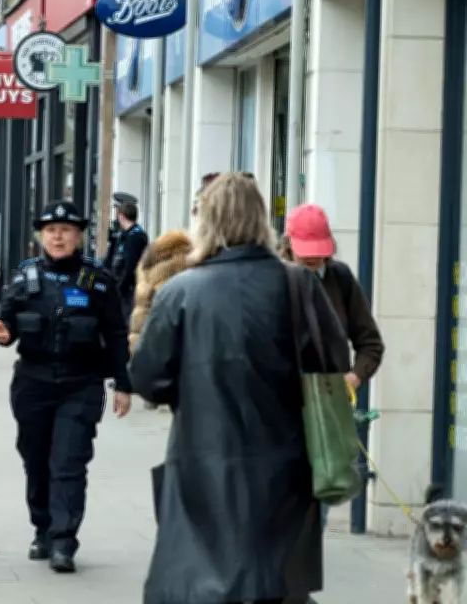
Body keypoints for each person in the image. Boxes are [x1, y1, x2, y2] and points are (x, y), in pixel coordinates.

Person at [128, 172, 351, 604]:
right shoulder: (298, 284)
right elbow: (334, 361)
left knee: (202, 582)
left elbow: (148, 381)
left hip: (202, 460)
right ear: (261, 219)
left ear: (206, 223)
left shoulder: (180, 291)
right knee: (275, 582)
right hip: (285, 464)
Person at [0, 199, 132, 574]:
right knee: (36, 461)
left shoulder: (97, 281)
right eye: (51, 231)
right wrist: (3, 334)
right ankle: (43, 528)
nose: (58, 237)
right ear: (41, 236)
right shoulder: (24, 278)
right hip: (32, 383)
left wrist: (123, 383)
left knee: (69, 462)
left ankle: (63, 540)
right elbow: (5, 324)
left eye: (66, 230)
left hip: (81, 383)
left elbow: (116, 333)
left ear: (78, 237)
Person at [280, 203, 385, 532]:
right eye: (305, 254)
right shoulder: (273, 279)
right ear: (288, 246)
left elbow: (371, 343)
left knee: (320, 500)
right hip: (280, 408)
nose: (314, 261)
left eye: (319, 253)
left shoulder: (340, 278)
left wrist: (354, 377)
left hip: (327, 410)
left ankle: (306, 554)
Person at [108, 200, 148, 322]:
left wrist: (120, 289)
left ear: (121, 216)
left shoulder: (135, 236)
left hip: (129, 290)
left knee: (126, 321)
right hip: (124, 287)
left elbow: (130, 267)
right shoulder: (125, 235)